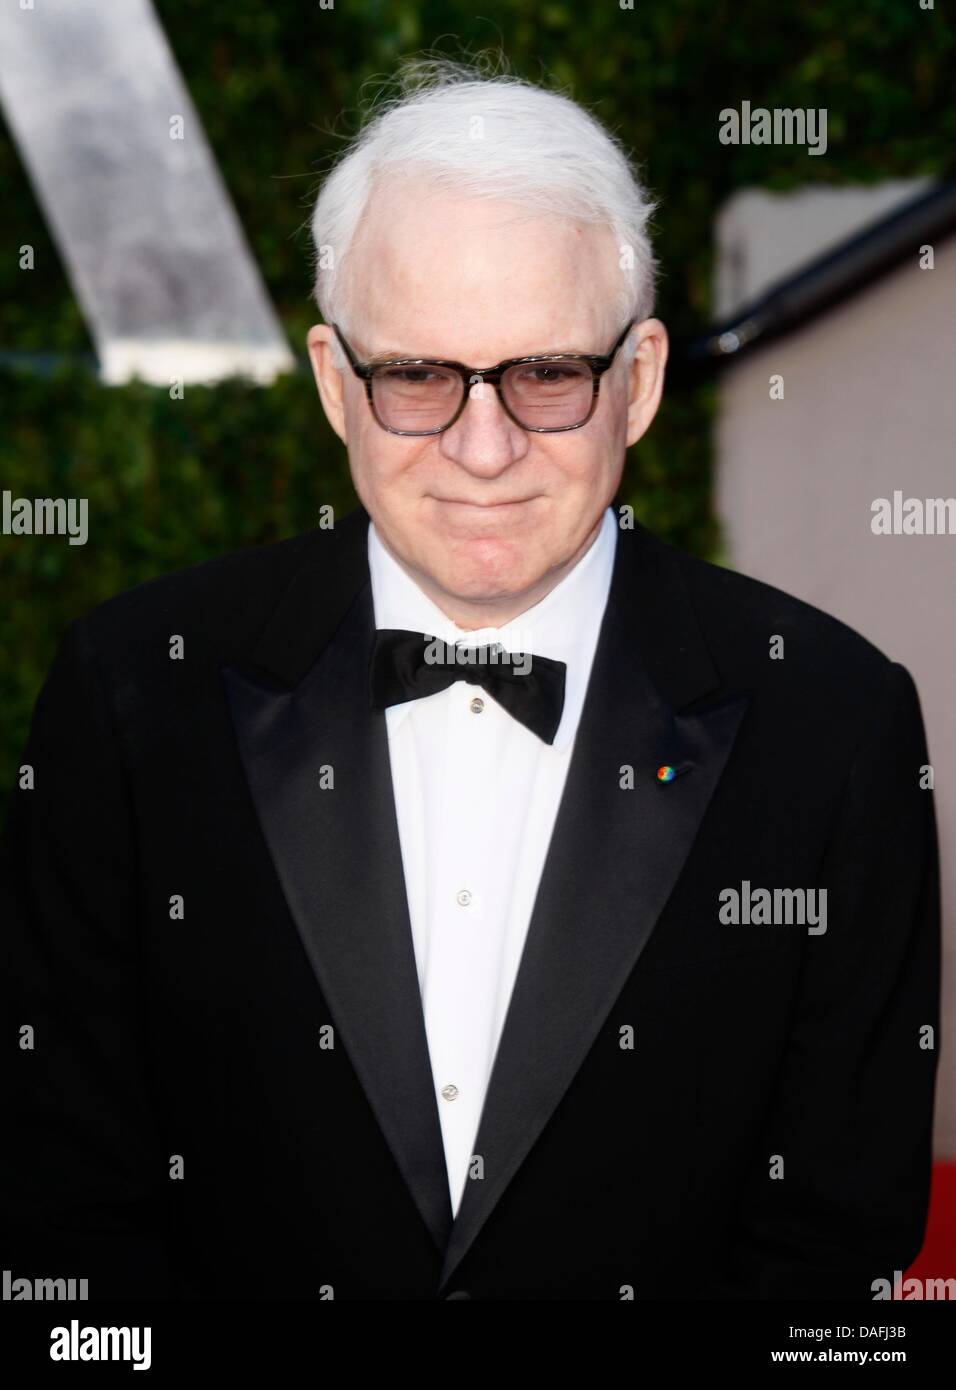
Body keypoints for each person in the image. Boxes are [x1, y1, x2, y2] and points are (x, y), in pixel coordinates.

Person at [1, 60, 940, 1300]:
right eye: (418, 377)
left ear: (637, 381)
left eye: (545, 374)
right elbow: (63, 1207)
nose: (483, 448)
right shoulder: (127, 695)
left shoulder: (835, 724)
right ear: (335, 384)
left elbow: (831, 1250)